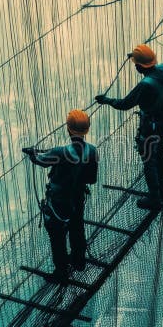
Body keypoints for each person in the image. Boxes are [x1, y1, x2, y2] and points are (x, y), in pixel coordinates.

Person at [23, 109, 98, 283]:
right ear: (86, 129)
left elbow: (40, 161)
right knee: (77, 227)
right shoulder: (92, 151)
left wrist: (32, 154)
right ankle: (79, 261)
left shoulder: (60, 152)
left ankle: (61, 271)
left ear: (68, 129)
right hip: (78, 198)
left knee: (57, 236)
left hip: (58, 202)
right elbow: (92, 180)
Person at [95, 44, 163, 210]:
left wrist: (106, 100)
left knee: (149, 161)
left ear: (139, 67)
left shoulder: (146, 85)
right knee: (159, 155)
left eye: (136, 63)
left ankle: (154, 198)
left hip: (150, 127)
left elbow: (125, 104)